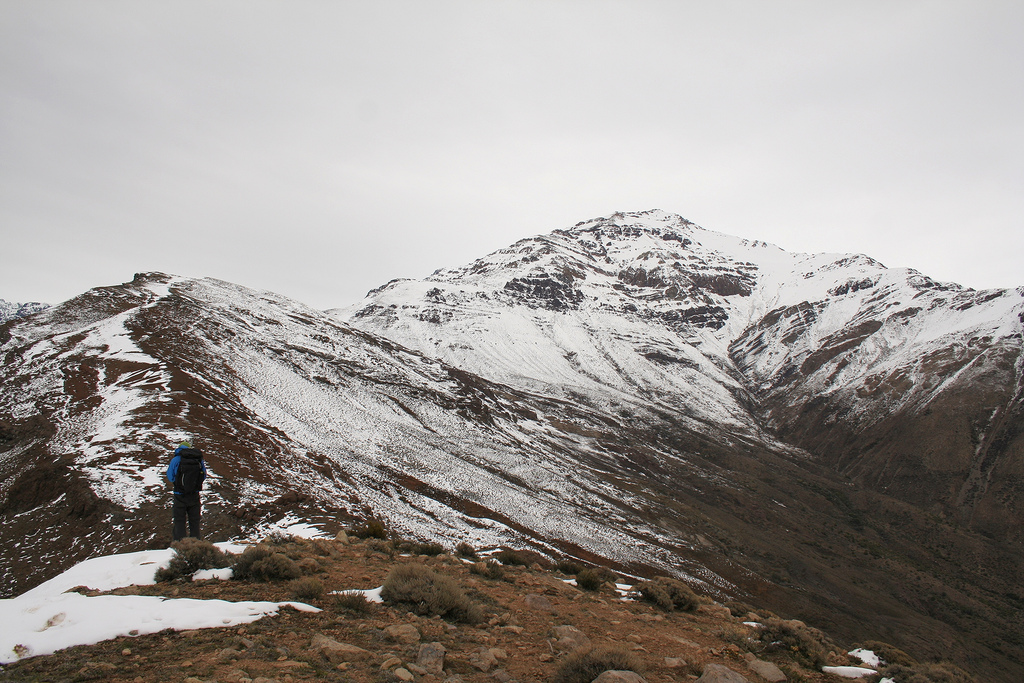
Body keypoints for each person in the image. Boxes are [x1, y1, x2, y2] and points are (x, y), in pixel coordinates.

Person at [166, 440, 207, 541]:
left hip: (179, 494)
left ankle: (180, 544)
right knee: (194, 521)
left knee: (179, 521)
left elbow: (170, 477)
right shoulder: (198, 459)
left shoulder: (176, 460)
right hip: (194, 494)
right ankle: (196, 543)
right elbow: (204, 475)